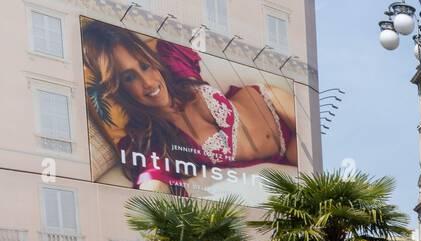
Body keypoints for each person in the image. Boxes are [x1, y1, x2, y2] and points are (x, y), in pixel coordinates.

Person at [80, 22, 297, 197]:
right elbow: (153, 179)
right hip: (285, 154)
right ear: (119, 89)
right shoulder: (155, 140)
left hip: (273, 102)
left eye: (144, 66)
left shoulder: (175, 66)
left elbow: (175, 20)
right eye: (129, 78)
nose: (148, 82)